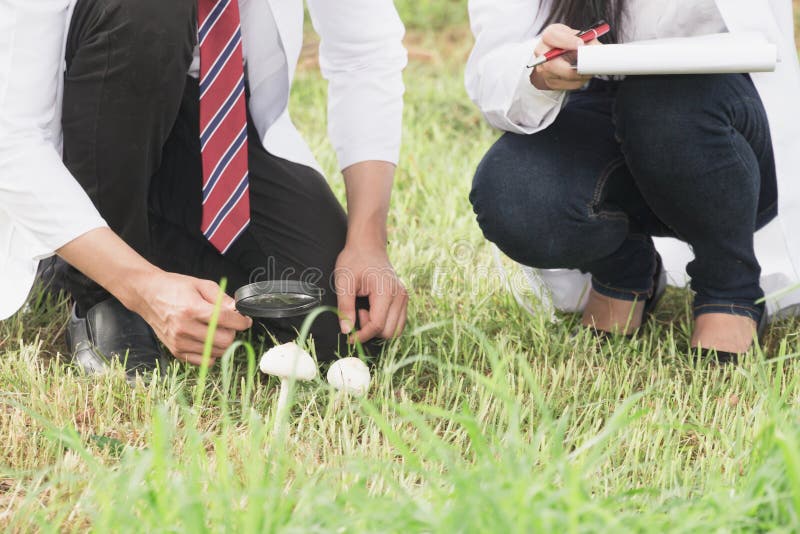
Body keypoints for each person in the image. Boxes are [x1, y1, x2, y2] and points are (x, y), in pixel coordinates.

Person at [0, 0, 409, 377]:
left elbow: (364, 54)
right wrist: (142, 290)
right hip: (91, 107)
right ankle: (99, 291)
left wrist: (367, 239)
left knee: (335, 320)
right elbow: (12, 135)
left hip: (215, 113)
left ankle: (124, 243)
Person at [466, 0, 800, 361]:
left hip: (721, 105)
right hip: (593, 92)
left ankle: (729, 284)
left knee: (665, 109)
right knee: (513, 192)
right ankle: (625, 269)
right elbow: (494, 58)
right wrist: (537, 67)